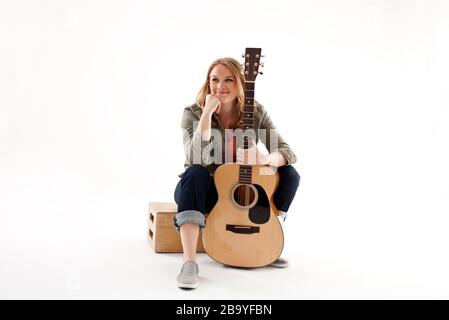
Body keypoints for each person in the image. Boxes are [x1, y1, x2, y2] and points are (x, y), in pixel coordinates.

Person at [174, 57, 300, 289]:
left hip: (246, 198)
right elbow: (194, 158)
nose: (220, 86)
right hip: (207, 193)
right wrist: (206, 115)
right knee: (195, 173)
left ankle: (268, 238)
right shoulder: (192, 112)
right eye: (214, 80)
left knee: (289, 173)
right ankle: (189, 262)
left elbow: (286, 151)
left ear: (241, 82)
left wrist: (264, 158)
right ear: (207, 82)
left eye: (228, 80)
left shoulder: (256, 112)